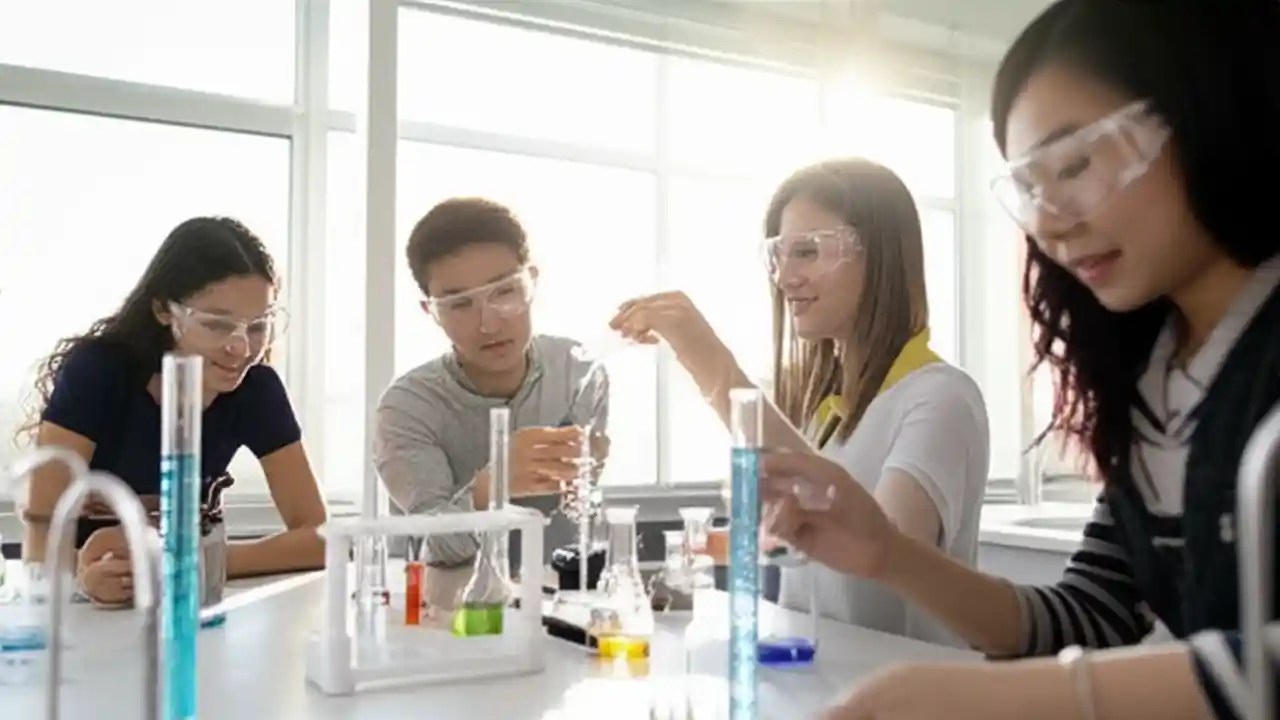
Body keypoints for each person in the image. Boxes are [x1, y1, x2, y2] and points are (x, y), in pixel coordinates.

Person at [761, 1, 1280, 718]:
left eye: (1075, 165)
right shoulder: (1158, 381)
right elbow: (1093, 613)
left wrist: (1003, 697)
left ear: (1203, 114)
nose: (1050, 220)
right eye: (1030, 188)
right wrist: (885, 552)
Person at [611, 158, 989, 644]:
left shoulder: (940, 399)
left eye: (808, 252)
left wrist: (711, 361)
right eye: (780, 254)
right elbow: (812, 558)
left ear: (880, 257)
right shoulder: (826, 416)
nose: (785, 277)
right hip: (823, 682)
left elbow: (875, 561)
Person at [19, 216, 327, 605]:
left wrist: (192, 563)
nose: (241, 348)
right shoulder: (99, 371)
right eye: (217, 325)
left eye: (256, 326)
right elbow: (42, 527)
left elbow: (319, 537)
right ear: (165, 310)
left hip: (185, 602)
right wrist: (82, 576)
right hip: (84, 608)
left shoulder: (256, 390)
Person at [374, 197, 607, 570]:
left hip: (559, 596)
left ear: (531, 282)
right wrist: (494, 485)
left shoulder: (576, 371)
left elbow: (580, 506)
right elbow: (437, 550)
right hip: (449, 610)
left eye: (504, 291)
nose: (489, 324)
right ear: (430, 312)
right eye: (459, 304)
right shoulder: (408, 407)